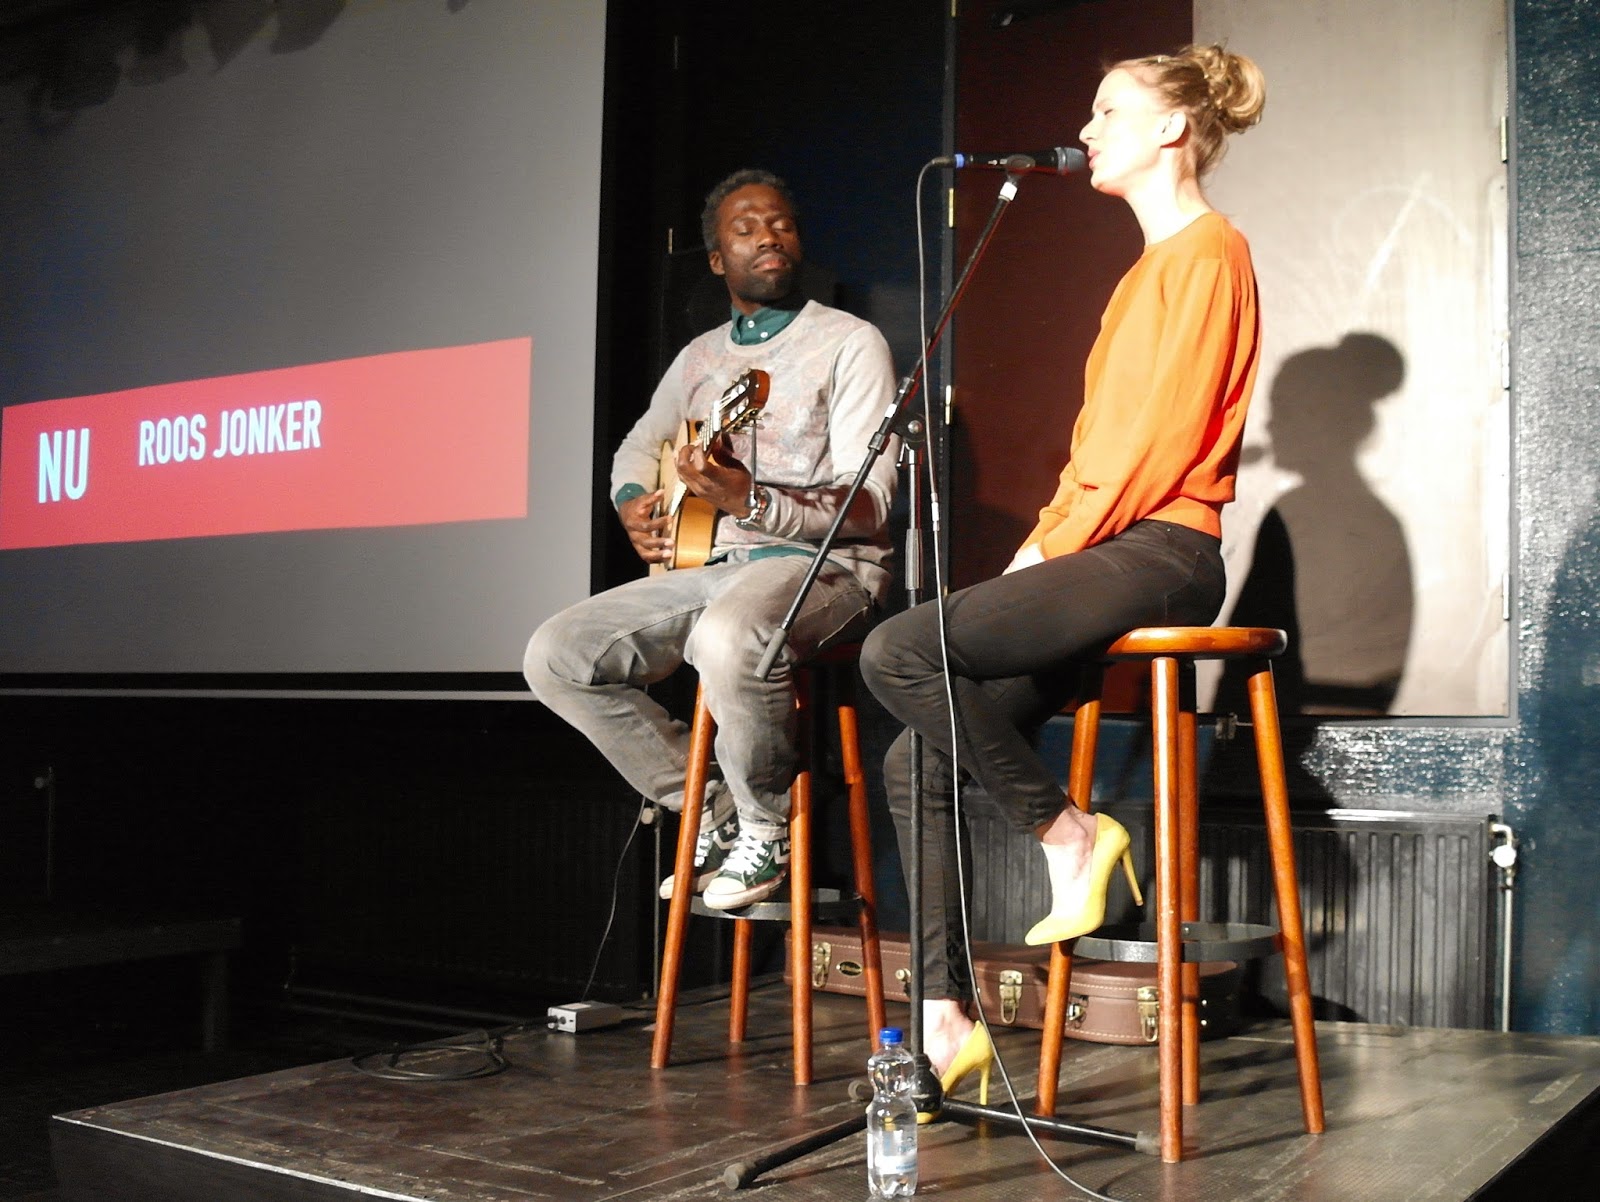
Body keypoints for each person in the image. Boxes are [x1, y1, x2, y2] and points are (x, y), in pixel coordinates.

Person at [860, 44, 1267, 1099]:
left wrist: (1058, 539)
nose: (1085, 130)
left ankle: (1071, 832)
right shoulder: (1142, 274)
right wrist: (1042, 540)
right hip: (1106, 542)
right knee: (912, 762)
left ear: (1173, 127)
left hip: (1162, 550)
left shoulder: (1208, 252)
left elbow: (1155, 440)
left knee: (899, 645)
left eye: (1108, 110)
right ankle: (944, 1013)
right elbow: (1098, 445)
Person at [525, 169, 898, 911]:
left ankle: (768, 826)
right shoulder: (700, 359)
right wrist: (633, 500)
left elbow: (872, 504)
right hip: (717, 565)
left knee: (728, 638)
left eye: (782, 223)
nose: (768, 235)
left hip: (827, 569)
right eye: (745, 228)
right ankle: (713, 811)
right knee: (556, 654)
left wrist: (751, 498)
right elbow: (638, 446)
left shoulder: (848, 342)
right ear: (717, 260)